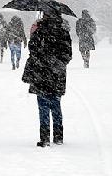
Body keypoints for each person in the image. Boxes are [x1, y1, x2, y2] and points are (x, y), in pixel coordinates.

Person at [22, 10, 72, 147]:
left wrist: (34, 32)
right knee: (56, 105)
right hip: (57, 75)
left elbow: (32, 50)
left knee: (43, 106)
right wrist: (57, 65)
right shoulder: (63, 32)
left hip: (41, 74)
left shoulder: (39, 30)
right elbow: (68, 55)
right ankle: (58, 136)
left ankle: (44, 138)